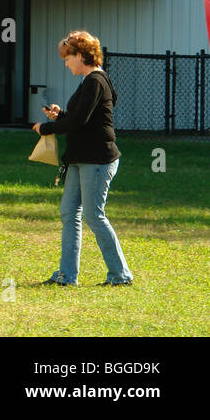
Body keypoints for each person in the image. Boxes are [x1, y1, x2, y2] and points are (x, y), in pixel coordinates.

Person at [33, 30, 134, 286]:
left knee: (94, 216)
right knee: (69, 213)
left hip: (97, 159)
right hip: (80, 157)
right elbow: (81, 118)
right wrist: (61, 116)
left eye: (68, 58)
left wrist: (45, 128)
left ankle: (120, 275)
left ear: (80, 56)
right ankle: (67, 276)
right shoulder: (92, 80)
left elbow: (80, 120)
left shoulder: (95, 81)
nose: (66, 63)